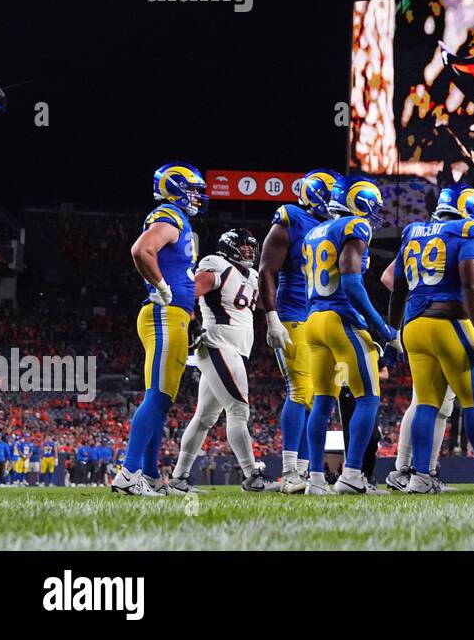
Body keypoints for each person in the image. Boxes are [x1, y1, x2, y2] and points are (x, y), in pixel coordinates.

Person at [389, 185, 474, 494]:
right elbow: (472, 282)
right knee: (473, 403)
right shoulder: (468, 228)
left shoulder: (414, 230)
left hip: (414, 327)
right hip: (450, 323)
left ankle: (419, 477)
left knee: (426, 404)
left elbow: (397, 286)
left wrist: (393, 334)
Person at [302, 177, 400, 494]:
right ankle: (352, 475)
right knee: (368, 398)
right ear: (359, 202)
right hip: (339, 319)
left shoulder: (315, 231)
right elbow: (352, 284)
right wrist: (380, 326)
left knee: (321, 401)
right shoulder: (353, 226)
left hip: (313, 320)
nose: (372, 214)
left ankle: (315, 479)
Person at [114, 163, 208, 496]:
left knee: (162, 397)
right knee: (157, 396)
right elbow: (142, 249)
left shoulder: (176, 218)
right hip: (163, 314)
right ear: (176, 187)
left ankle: (152, 475)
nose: (198, 196)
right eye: (193, 189)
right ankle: (128, 473)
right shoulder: (170, 215)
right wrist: (163, 287)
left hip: (174, 316)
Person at [169, 229, 275, 493]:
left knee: (205, 417)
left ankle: (178, 477)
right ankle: (252, 476)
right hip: (217, 343)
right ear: (228, 247)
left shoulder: (251, 275)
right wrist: (191, 324)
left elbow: (265, 301)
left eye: (252, 247)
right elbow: (188, 292)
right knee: (238, 410)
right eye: (243, 246)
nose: (249, 251)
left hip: (234, 349)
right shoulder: (216, 264)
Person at [258, 169, 340, 494]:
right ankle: (290, 471)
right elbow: (266, 270)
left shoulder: (329, 228)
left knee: (319, 396)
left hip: (318, 318)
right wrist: (272, 318)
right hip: (291, 315)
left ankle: (304, 473)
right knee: (300, 391)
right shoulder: (290, 219)